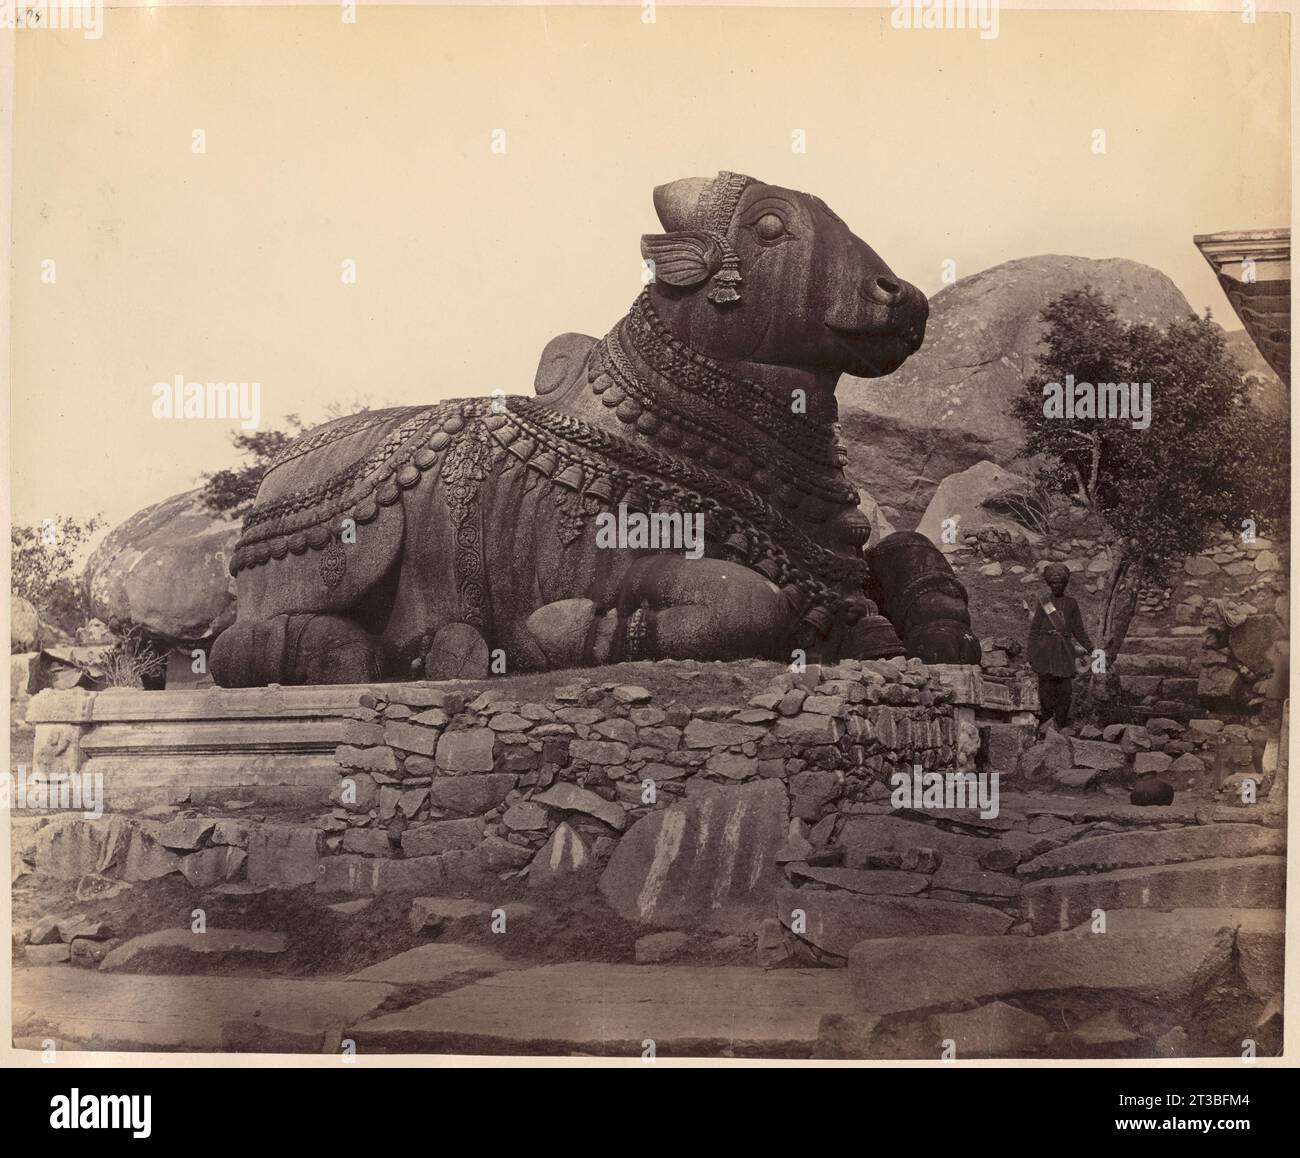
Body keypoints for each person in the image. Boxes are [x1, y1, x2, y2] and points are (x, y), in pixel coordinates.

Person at [1027, 563, 1094, 732]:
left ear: (1065, 584)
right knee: (1046, 688)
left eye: (1060, 583)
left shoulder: (1071, 603)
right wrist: (1031, 655)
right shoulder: (1044, 602)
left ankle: (1061, 723)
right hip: (1045, 650)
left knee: (1065, 689)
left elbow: (1078, 629)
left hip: (1064, 651)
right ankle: (1046, 723)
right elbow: (1034, 630)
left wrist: (1092, 648)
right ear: (1049, 584)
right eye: (1053, 583)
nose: (1057, 586)